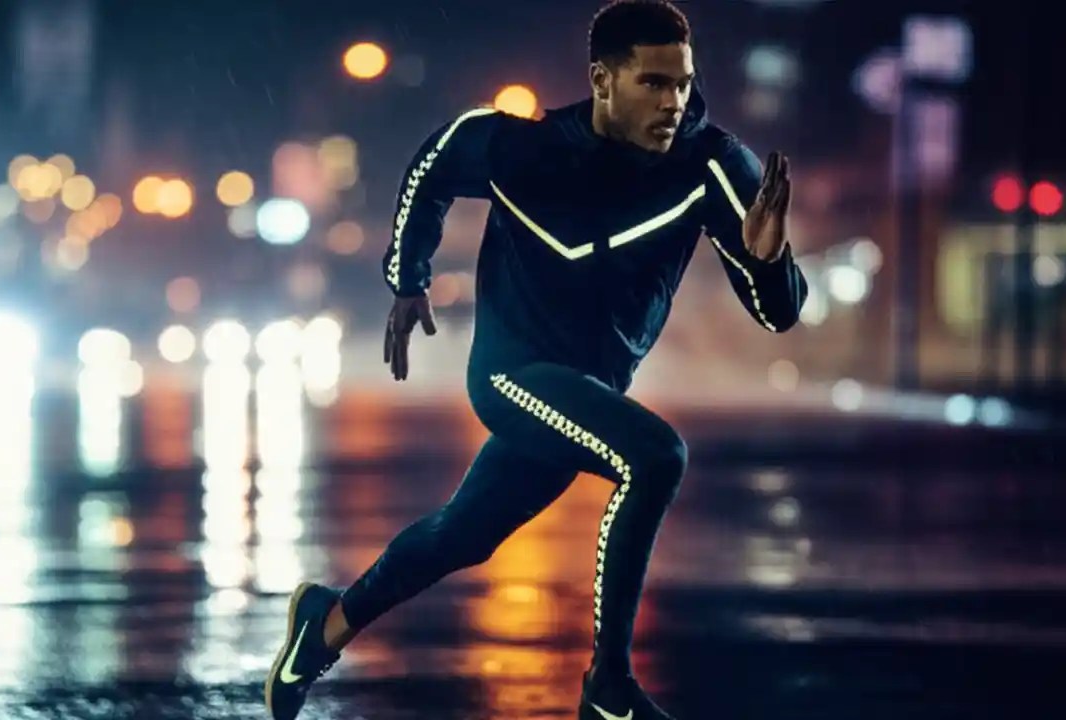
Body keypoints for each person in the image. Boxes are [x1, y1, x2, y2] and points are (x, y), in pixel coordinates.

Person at [265, 1, 808, 718]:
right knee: (654, 457)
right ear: (602, 80)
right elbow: (433, 165)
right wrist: (409, 279)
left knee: (463, 534)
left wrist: (769, 260)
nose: (673, 102)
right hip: (509, 377)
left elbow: (779, 313)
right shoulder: (527, 146)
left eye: (681, 83)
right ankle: (608, 689)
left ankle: (325, 623)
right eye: (652, 83)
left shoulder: (711, 166)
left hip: (587, 392)